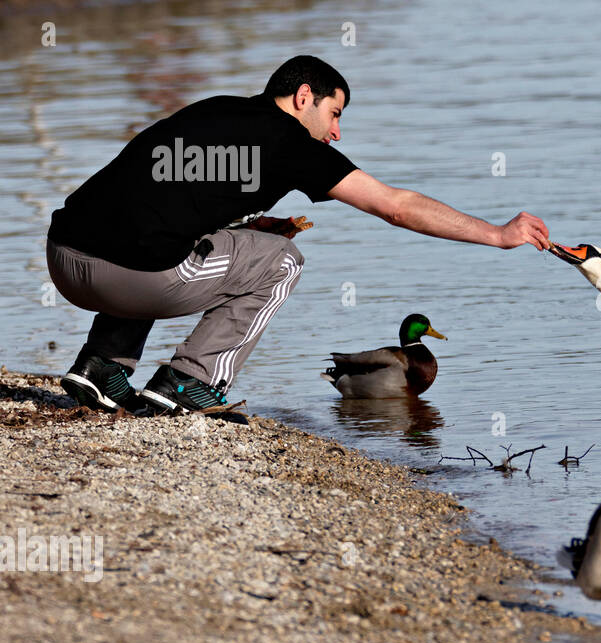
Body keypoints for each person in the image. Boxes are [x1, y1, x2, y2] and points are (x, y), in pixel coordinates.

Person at [46, 55, 549, 414]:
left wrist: (242, 228)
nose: (336, 133)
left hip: (65, 258)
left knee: (154, 228)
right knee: (282, 260)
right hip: (134, 279)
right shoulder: (291, 144)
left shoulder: (210, 109)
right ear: (303, 96)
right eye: (334, 114)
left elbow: (160, 197)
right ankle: (189, 382)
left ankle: (101, 367)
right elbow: (396, 207)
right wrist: (498, 235)